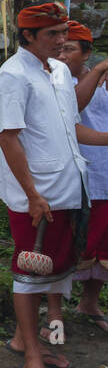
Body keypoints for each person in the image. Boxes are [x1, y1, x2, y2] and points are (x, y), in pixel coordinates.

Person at [0, 2, 108, 368]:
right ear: (28, 37)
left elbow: (70, 128)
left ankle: (28, 339)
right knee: (29, 271)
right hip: (35, 195)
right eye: (53, 35)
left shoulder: (57, 72)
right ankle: (32, 356)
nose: (62, 41)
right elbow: (9, 138)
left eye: (64, 34)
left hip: (68, 189)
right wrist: (33, 195)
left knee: (57, 267)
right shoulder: (12, 77)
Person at [57, 20, 108, 333]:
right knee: (68, 241)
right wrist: (99, 70)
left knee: (102, 243)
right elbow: (74, 106)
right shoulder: (58, 80)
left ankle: (89, 301)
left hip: (104, 171)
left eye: (69, 49)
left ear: (85, 52)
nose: (62, 55)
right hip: (72, 173)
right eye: (60, 47)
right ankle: (54, 309)